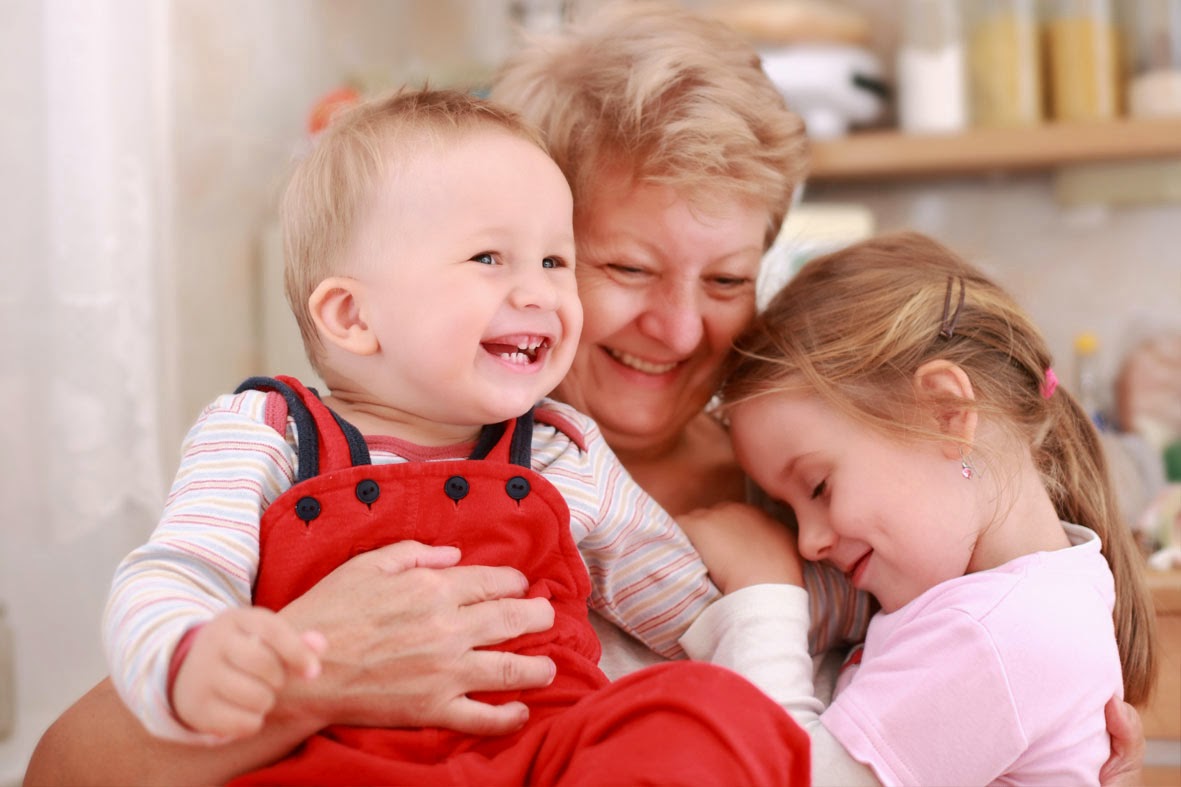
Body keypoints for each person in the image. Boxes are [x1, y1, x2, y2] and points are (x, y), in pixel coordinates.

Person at [23, 2, 1145, 785]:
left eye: (723, 279)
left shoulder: (818, 522)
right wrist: (316, 678)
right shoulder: (345, 462)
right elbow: (63, 772)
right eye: (622, 269)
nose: (675, 325)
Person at [99, 86, 810, 785]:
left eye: (553, 261)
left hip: (543, 760)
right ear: (352, 315)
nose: (537, 292)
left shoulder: (563, 449)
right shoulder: (265, 434)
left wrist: (851, 591)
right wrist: (190, 656)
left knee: (705, 707)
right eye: (488, 259)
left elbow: (689, 605)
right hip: (342, 767)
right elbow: (178, 571)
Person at [679, 231, 1159, 785]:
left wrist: (761, 593)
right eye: (790, 514)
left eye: (817, 488)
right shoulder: (1033, 596)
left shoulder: (991, 634)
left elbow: (793, 778)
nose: (808, 543)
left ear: (945, 411)